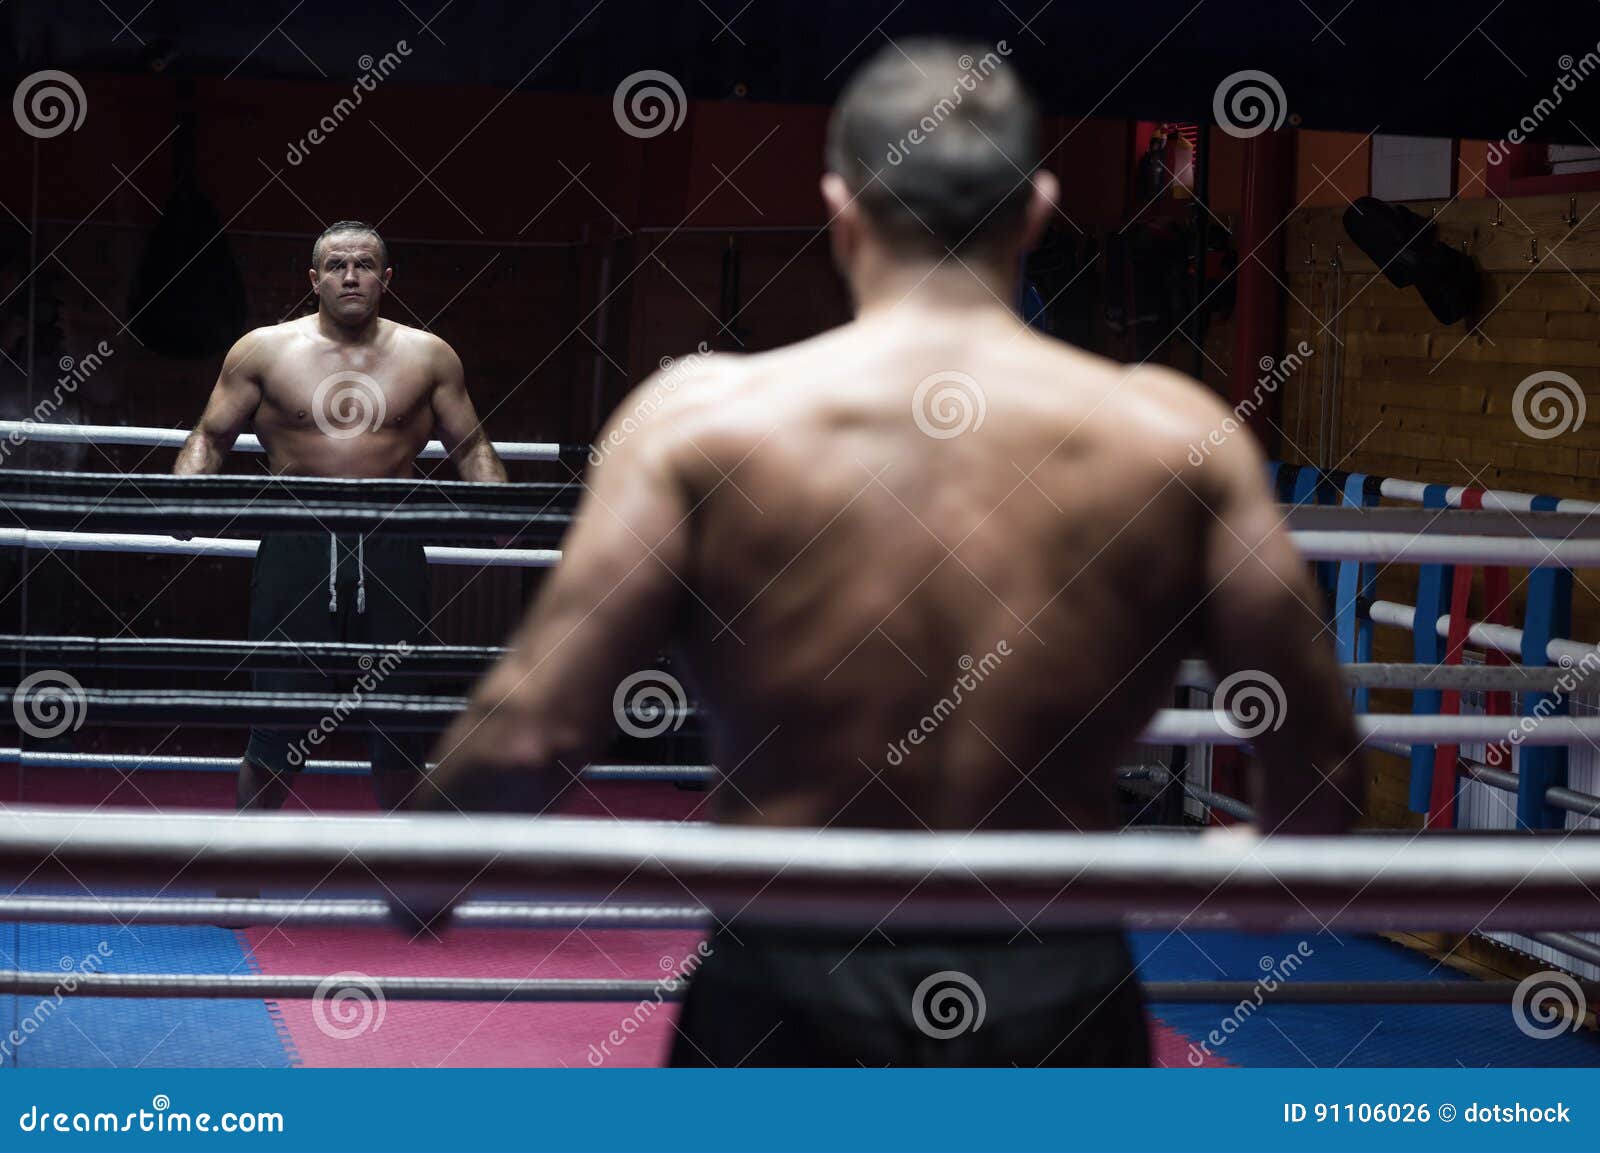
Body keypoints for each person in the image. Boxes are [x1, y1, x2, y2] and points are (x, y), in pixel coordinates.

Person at [408, 42, 1362, 1066]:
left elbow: (530, 734)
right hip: (1054, 986)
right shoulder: (1172, 437)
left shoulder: (703, 424)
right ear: (1037, 209)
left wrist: (414, 869)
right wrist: (1274, 859)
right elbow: (1316, 766)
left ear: (839, 206)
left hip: (784, 979)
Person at [175, 220, 506, 817]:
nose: (350, 276)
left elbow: (471, 445)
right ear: (314, 279)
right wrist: (183, 499)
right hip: (295, 548)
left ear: (385, 278)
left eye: (363, 265)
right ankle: (242, 867)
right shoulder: (264, 350)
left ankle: (406, 882)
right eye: (336, 266)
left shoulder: (428, 355)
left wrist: (500, 511)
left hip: (391, 550)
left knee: (401, 735)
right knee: (277, 733)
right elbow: (211, 435)